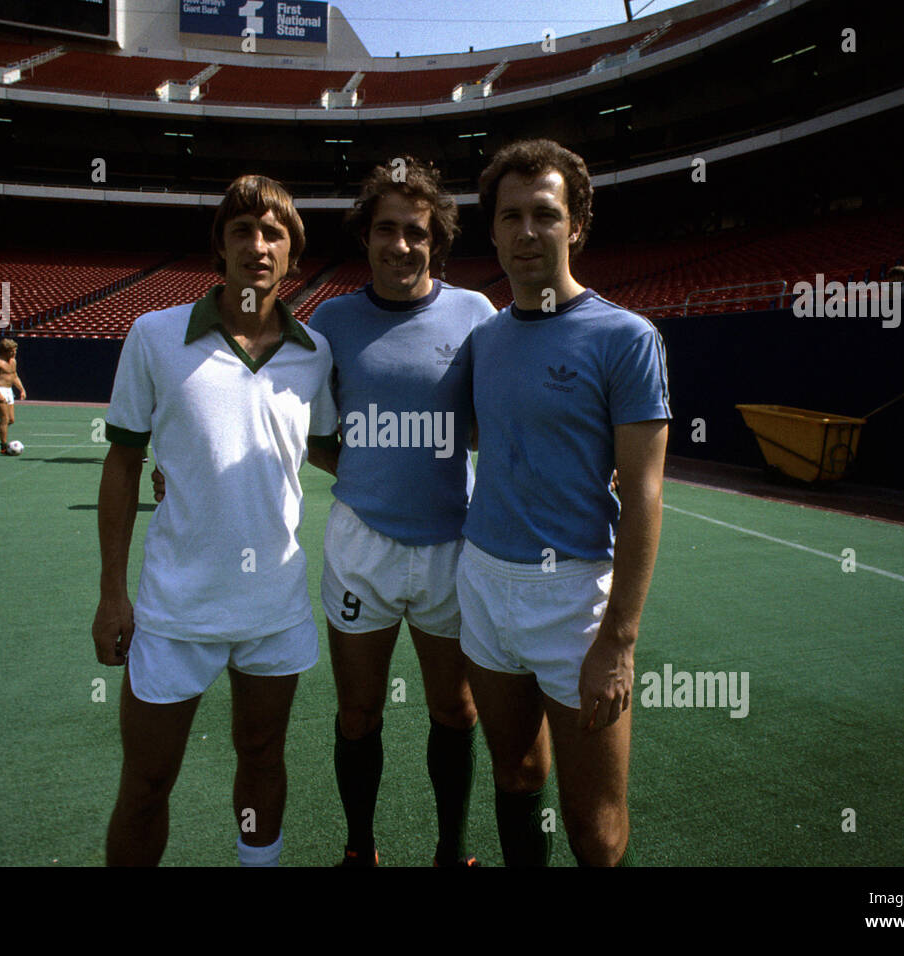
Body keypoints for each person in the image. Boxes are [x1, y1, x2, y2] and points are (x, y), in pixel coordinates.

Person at [153, 157, 496, 867]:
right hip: (360, 549)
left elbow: (499, 424)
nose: (400, 246)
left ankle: (451, 851)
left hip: (450, 547)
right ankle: (359, 850)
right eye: (385, 230)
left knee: (455, 710)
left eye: (416, 233)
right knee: (358, 713)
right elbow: (302, 429)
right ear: (364, 238)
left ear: (438, 242)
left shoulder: (475, 315)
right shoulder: (332, 323)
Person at [93, 174, 337, 867]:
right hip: (174, 611)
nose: (258, 245)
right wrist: (114, 592)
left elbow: (326, 450)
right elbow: (122, 463)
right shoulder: (155, 336)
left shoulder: (315, 354)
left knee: (262, 758)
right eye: (242, 231)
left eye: (274, 234)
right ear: (220, 250)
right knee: (146, 781)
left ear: (292, 255)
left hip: (275, 607)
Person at [458, 139, 671, 867]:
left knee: (595, 826)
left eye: (544, 215)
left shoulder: (626, 338)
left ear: (575, 225)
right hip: (482, 585)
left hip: (575, 601)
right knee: (515, 774)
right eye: (509, 216)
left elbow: (643, 500)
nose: (525, 232)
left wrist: (618, 641)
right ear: (491, 230)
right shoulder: (483, 338)